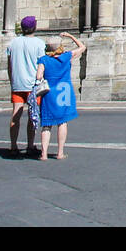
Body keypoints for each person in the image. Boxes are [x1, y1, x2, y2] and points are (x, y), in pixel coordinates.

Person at [35, 32, 86, 160]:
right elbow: (82, 47)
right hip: (64, 93)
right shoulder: (66, 57)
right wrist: (70, 36)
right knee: (62, 122)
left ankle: (44, 153)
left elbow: (38, 76)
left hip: (49, 94)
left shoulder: (44, 60)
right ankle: (60, 152)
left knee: (46, 124)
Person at [6, 15, 45, 157]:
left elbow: (9, 66)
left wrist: (12, 81)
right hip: (33, 85)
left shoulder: (12, 43)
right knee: (32, 115)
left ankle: (13, 146)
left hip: (18, 84)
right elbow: (41, 64)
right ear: (34, 27)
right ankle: (30, 145)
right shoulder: (39, 44)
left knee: (16, 115)